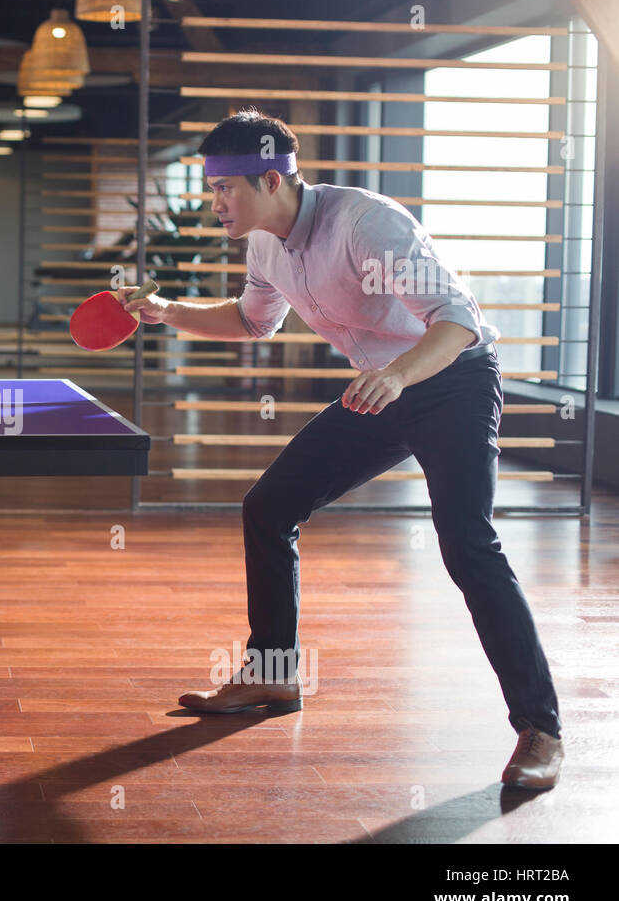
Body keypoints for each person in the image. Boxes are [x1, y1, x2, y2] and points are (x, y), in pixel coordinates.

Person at [121, 109, 563, 790]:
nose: (214, 205)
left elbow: (457, 322)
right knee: (269, 507)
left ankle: (541, 730)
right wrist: (168, 312)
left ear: (271, 179)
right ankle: (273, 678)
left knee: (467, 542)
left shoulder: (366, 224)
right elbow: (251, 320)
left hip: (451, 381)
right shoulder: (266, 245)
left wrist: (396, 374)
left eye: (225, 189)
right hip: (379, 390)